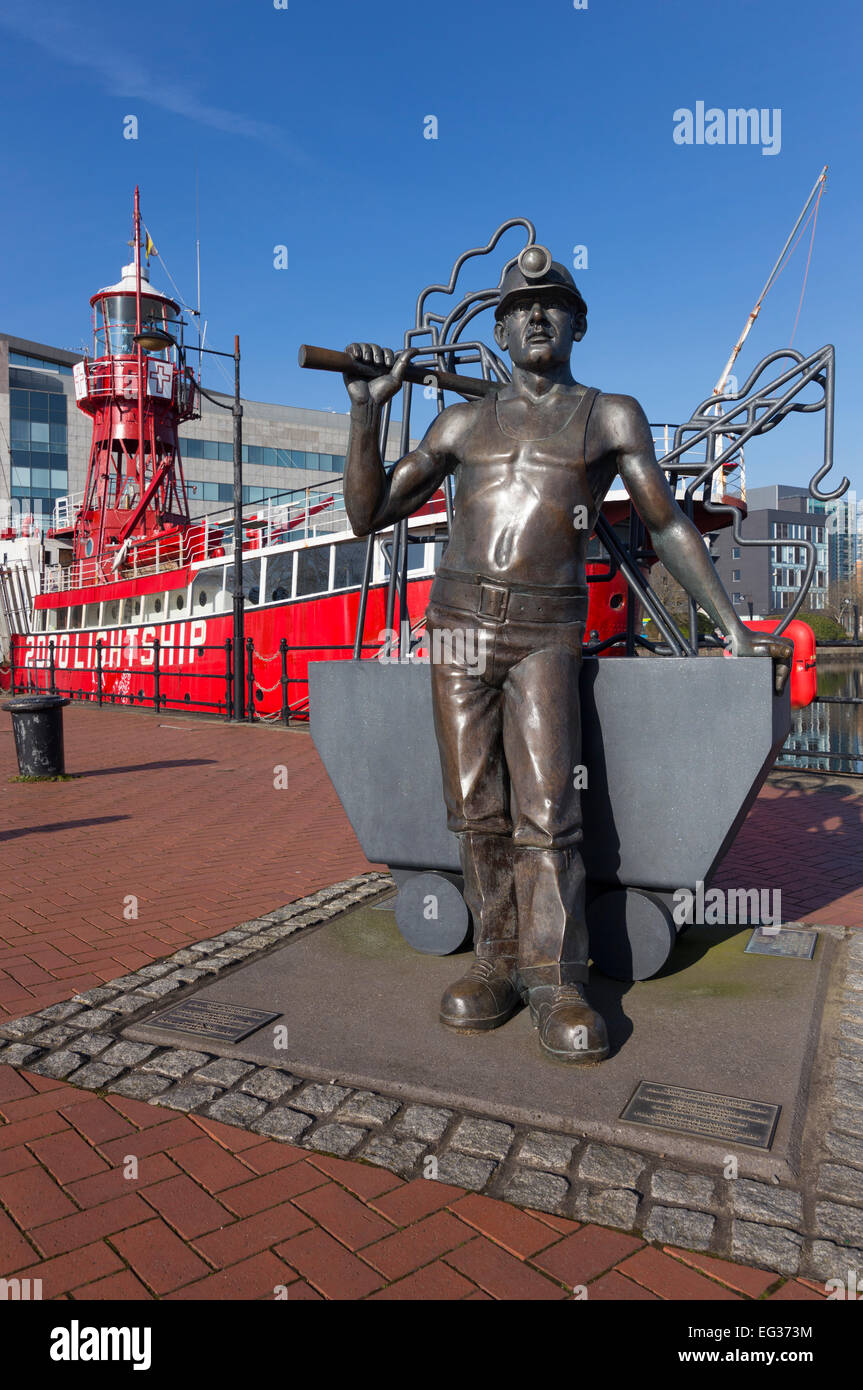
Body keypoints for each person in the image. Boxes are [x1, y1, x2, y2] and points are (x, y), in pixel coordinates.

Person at [342, 244, 792, 1064]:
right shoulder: (460, 423)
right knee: (473, 804)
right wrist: (367, 411)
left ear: (578, 323)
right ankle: (494, 962)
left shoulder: (608, 415)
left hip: (547, 626)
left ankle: (555, 980)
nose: (536, 317)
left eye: (552, 305)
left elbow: (663, 524)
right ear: (503, 327)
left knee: (550, 809)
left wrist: (729, 625)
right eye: (520, 308)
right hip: (455, 624)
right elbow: (366, 513)